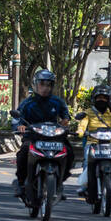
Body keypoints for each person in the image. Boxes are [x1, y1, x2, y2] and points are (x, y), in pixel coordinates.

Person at [12, 69, 71, 199]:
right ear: (35, 84)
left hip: (54, 138)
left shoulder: (57, 102)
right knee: (23, 153)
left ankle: (59, 183)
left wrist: (65, 122)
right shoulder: (28, 103)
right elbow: (17, 118)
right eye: (42, 84)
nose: (45, 88)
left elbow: (66, 116)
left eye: (48, 85)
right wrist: (20, 126)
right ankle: (21, 183)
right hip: (33, 138)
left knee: (69, 152)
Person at [74, 82, 111, 200]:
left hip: (110, 144)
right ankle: (85, 185)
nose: (101, 100)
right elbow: (83, 124)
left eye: (104, 98)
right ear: (94, 99)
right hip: (93, 143)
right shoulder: (88, 112)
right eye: (99, 98)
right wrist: (80, 131)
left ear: (109, 99)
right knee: (87, 160)